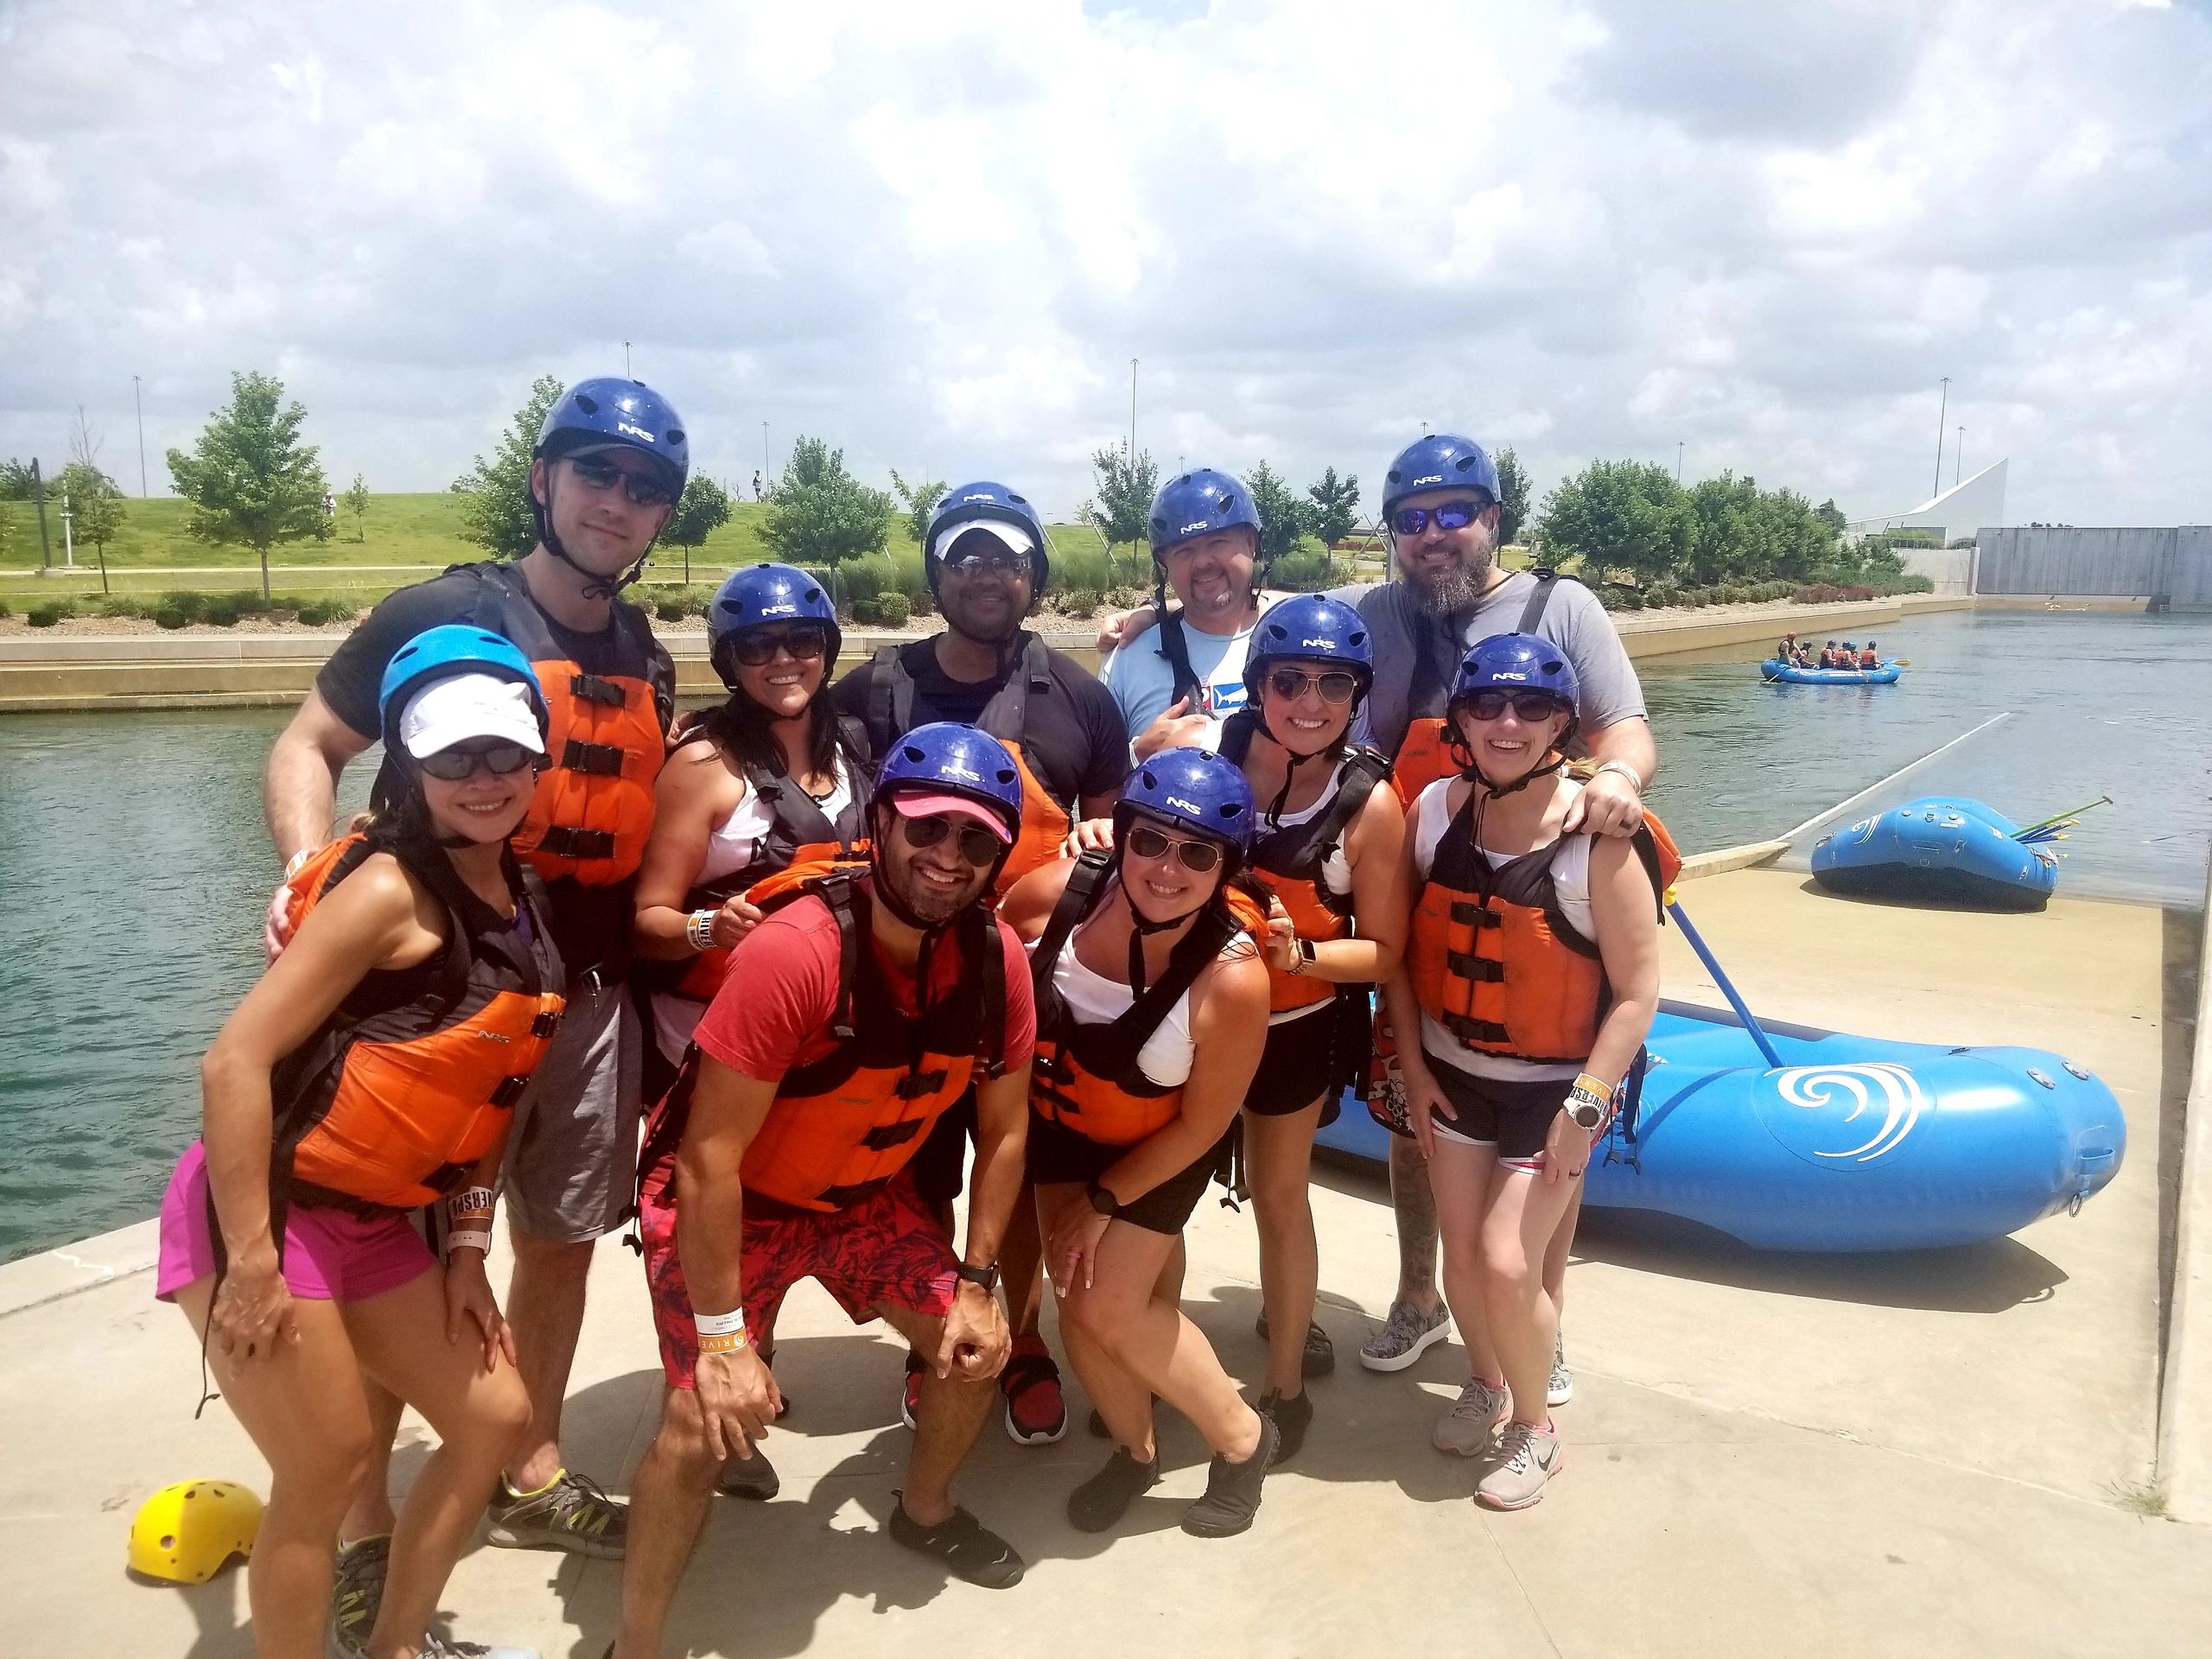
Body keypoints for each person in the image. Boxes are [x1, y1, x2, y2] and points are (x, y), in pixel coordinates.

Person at [1097, 435, 1657, 1376]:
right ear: (1391, 534)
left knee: (1544, 1133)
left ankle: (1534, 1324)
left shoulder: (1562, 607)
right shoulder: (1373, 610)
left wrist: (1614, 779)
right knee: (1413, 1119)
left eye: (1452, 514)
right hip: (1419, 884)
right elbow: (1262, 616)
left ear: (1491, 520)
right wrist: (1141, 618)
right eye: (1411, 520)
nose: (1432, 535)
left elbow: (1627, 725)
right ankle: (1416, 1293)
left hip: (1534, 888)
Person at [263, 378, 685, 1610]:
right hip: (439, 1000)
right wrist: (306, 876)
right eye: (596, 474)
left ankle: (527, 1459)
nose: (618, 502)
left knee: (556, 1245)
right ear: (544, 482)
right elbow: (308, 746)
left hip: (588, 995)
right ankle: (361, 1528)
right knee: (398, 1252)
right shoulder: (444, 609)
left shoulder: (644, 648)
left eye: (645, 487)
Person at [161, 627, 565, 1659]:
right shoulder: (387, 891)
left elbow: (488, 1088)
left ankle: (391, 1647)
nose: (483, 779)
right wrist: (249, 1265)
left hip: (380, 1221)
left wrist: (469, 1252)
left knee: (491, 1418)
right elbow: (232, 1064)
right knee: (331, 1462)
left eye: (504, 754)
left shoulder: (515, 894)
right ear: (409, 766)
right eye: (452, 758)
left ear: (535, 757)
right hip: (271, 1212)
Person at [617, 725, 1038, 1656]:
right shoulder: (796, 952)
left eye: (976, 842)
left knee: (975, 1346)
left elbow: (1006, 1132)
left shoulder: (997, 957)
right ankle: (637, 1641)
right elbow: (706, 1159)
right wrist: (723, 1340)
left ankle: (923, 1512)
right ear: (879, 824)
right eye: (927, 830)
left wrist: (977, 1279)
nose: (947, 859)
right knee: (696, 1421)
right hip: (738, 1204)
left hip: (861, 1200)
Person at [833, 480, 1128, 1446]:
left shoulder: (1079, 697)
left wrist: (1105, 829)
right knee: (916, 1173)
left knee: (1028, 1172)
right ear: (938, 574)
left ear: (1033, 574)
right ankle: (936, 1338)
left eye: (1005, 558)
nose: (986, 574)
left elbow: (1125, 834)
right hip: (904, 984)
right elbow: (787, 761)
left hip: (1025, 992)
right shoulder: (874, 692)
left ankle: (1023, 1334)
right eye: (965, 558)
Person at [1382, 633, 1668, 1510]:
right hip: (1456, 1076)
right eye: (1486, 706)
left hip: (1553, 1094)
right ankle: (1485, 1380)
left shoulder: (1599, 842)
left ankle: (1535, 1430)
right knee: (1465, 1263)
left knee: (1509, 1262)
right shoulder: (1433, 811)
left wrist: (1584, 1106)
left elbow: (1638, 991)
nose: (1507, 723)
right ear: (1460, 720)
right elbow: (1399, 957)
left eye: (1532, 708)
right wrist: (1411, 1062)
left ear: (1561, 726)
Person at [630, 563, 869, 1503]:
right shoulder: (701, 767)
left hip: (816, 1048)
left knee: (785, 1214)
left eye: (801, 644)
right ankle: (708, 1405)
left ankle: (750, 1374)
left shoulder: (850, 754)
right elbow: (646, 915)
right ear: (730, 661)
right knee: (714, 1224)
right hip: (710, 1041)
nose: (783, 661)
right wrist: (705, 927)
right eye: (758, 648)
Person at [1000, 749, 1280, 1535]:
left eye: (1198, 853)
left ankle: (1243, 1438)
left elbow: (1204, 1123)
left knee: (1107, 1303)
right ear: (1119, 837)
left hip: (1161, 1149)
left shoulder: (1232, 978)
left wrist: (1103, 1202)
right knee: (1076, 1303)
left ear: (1226, 868)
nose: (1167, 868)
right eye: (1151, 841)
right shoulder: (1049, 900)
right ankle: (1136, 1449)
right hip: (1063, 1127)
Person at [1197, 594, 1408, 1455]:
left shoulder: (1372, 805)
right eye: (1289, 681)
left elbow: (1386, 953)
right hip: (1200, 1016)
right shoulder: (1220, 752)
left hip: (1296, 1021)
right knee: (1163, 1194)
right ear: (1259, 686)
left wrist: (1301, 960)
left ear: (1356, 694)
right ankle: (1143, 1355)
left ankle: (1283, 1384)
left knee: (1281, 1200)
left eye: (1332, 684)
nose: (1309, 702)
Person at [1096, 468, 1268, 754]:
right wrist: (1136, 756)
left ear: (1251, 543)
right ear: (1165, 563)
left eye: (1217, 542)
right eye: (1184, 551)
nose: (1202, 562)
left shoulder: (1303, 644)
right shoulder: (1126, 659)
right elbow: (1097, 784)